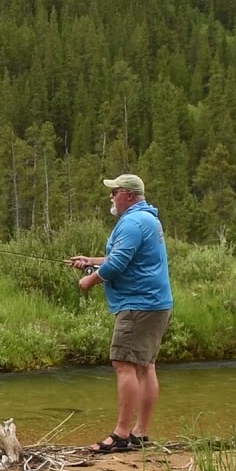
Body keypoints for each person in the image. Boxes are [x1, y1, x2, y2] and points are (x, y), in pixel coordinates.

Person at [69, 173, 173, 454]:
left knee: (123, 364)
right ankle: (140, 434)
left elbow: (117, 265)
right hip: (155, 304)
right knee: (145, 366)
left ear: (128, 195)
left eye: (114, 192)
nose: (111, 197)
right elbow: (124, 257)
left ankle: (122, 434)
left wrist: (90, 280)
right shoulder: (147, 219)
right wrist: (90, 261)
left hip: (138, 306)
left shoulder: (132, 222)